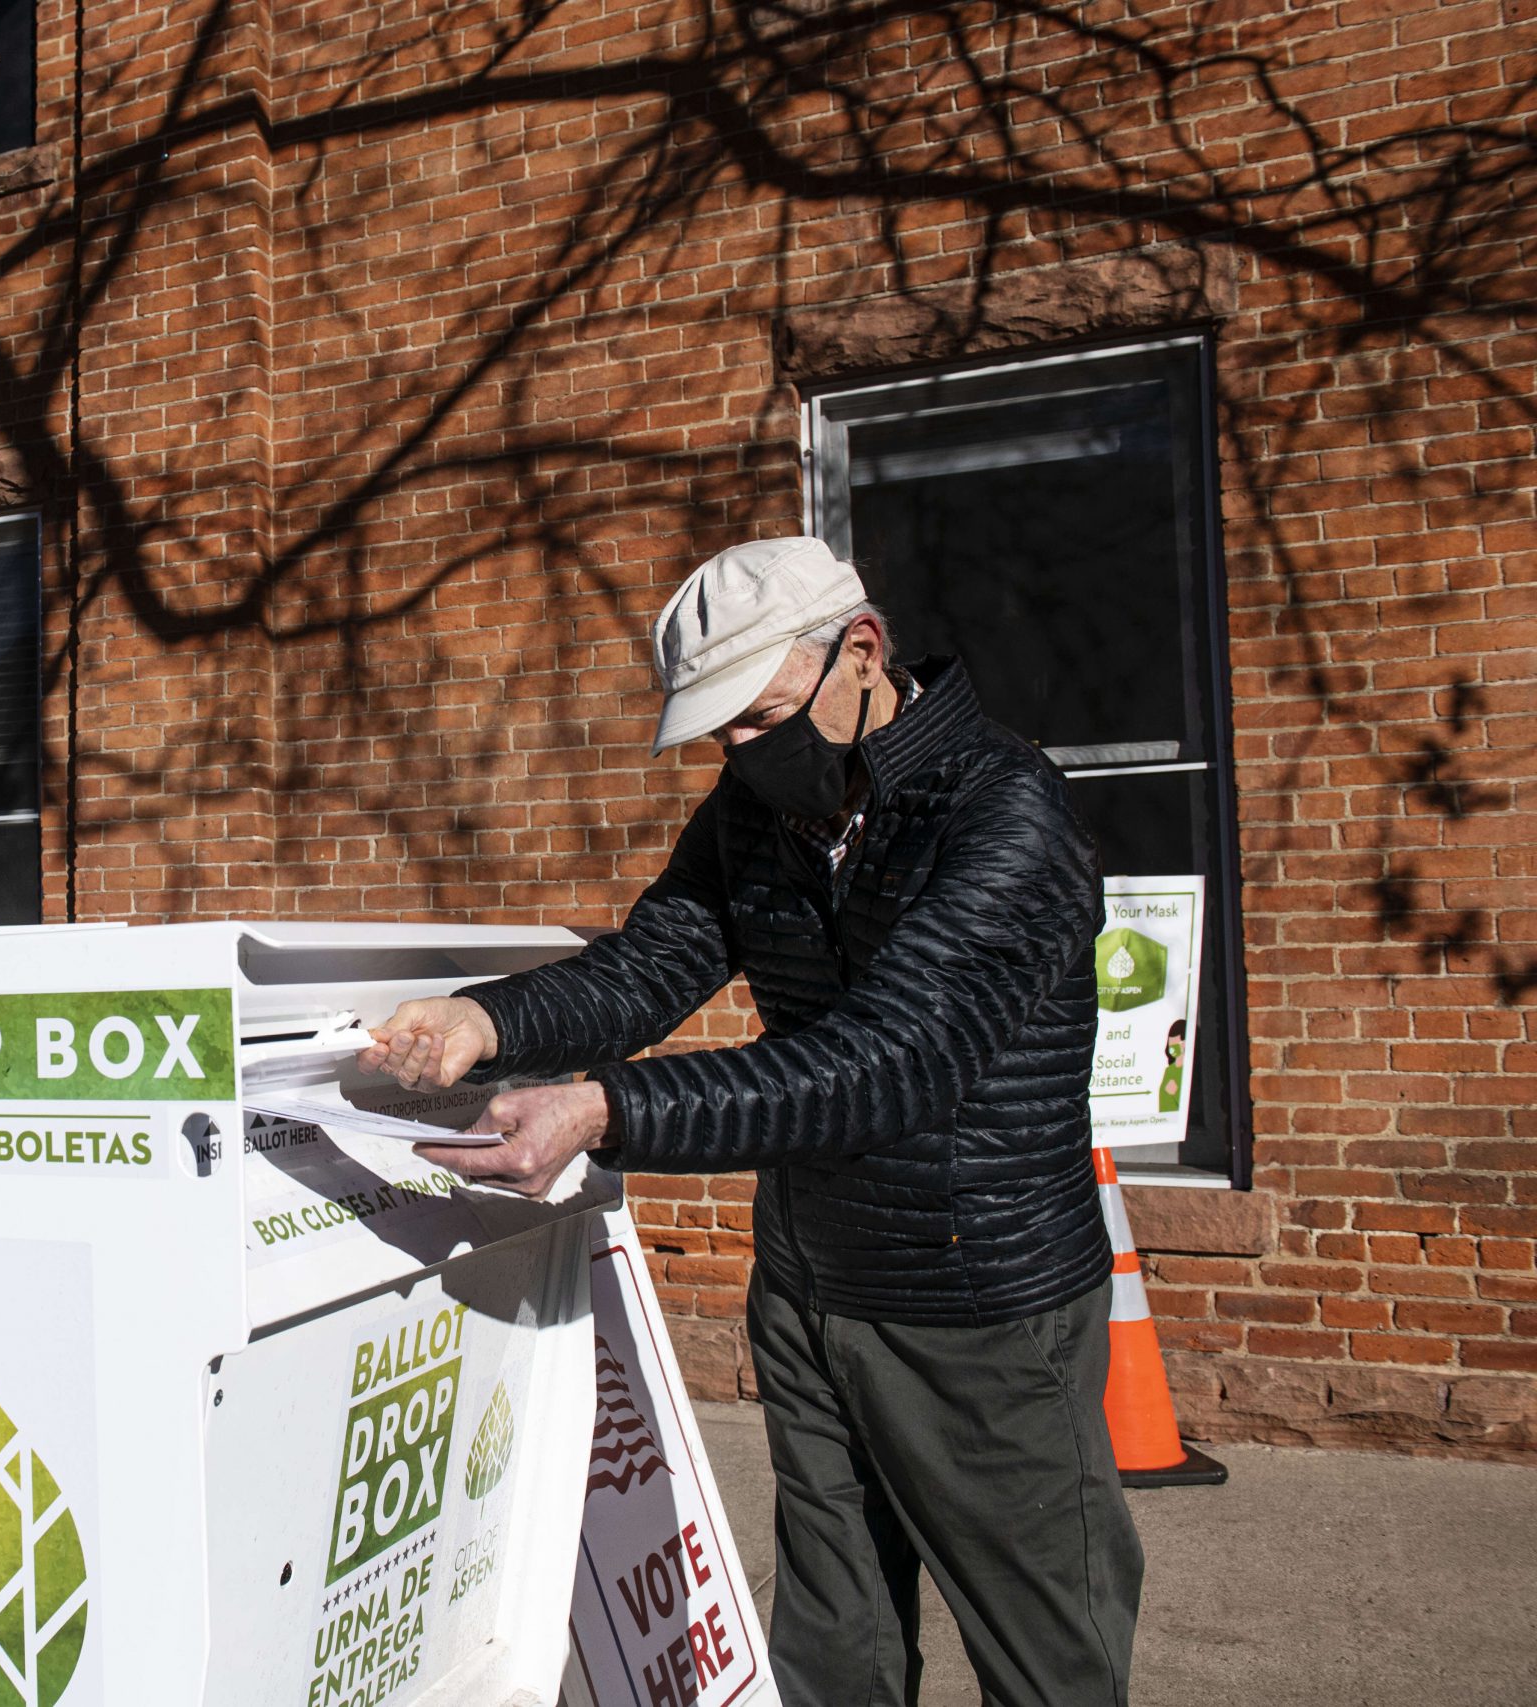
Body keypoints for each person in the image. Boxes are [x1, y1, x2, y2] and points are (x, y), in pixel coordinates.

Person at [362, 535, 1141, 1707]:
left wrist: (605, 1108)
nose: (736, 753)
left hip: (978, 1308)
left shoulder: (1006, 815)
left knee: (1045, 1661)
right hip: (810, 1290)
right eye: (718, 732)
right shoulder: (757, 812)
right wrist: (484, 1021)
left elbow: (886, 1064)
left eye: (757, 718)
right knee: (834, 1648)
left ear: (860, 654)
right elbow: (646, 969)